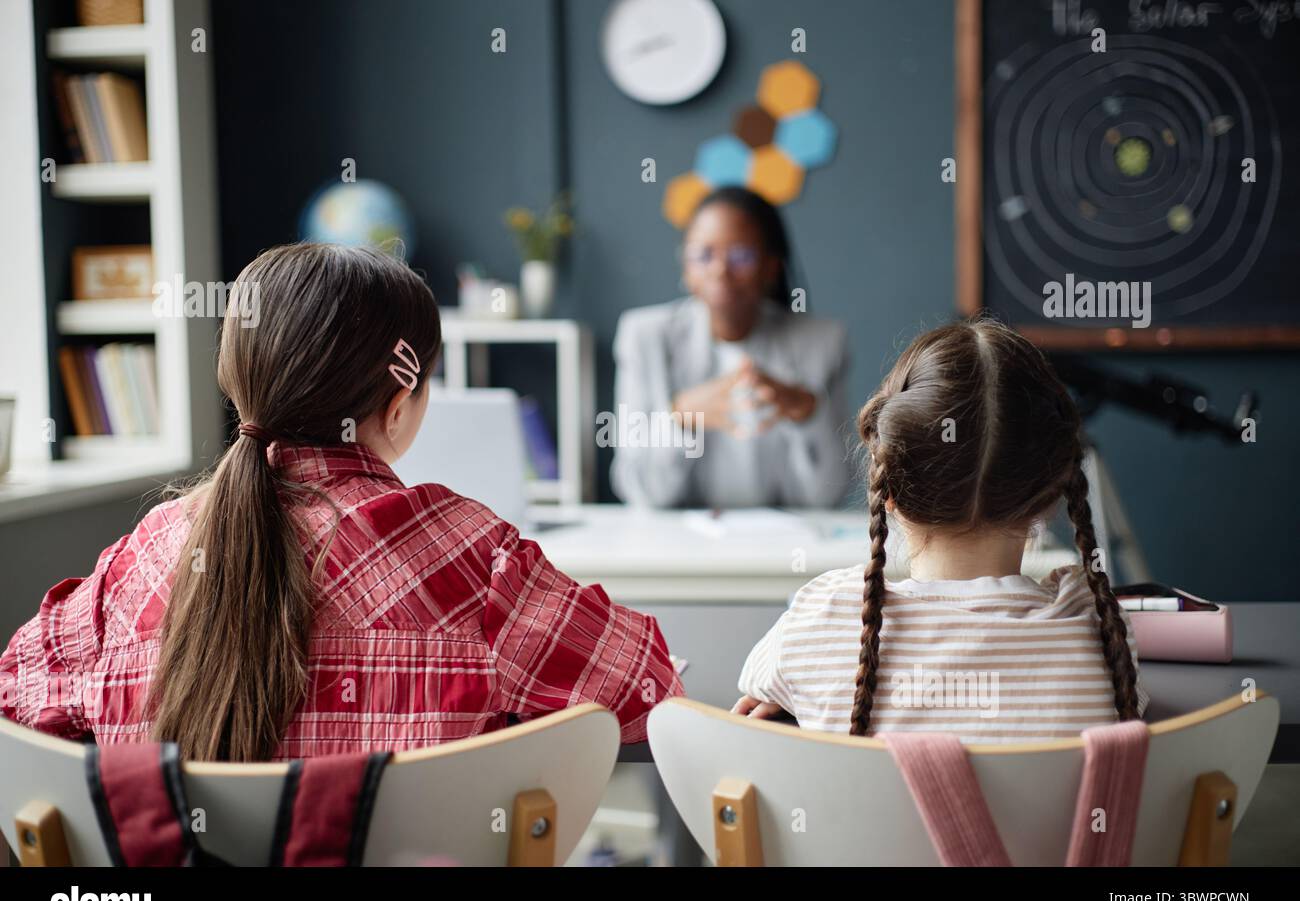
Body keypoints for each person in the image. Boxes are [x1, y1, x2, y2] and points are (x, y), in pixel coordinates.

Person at [0, 243, 682, 760]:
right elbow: (649, 693)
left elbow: (17, 706)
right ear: (398, 406)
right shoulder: (475, 557)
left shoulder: (140, 559)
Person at [734, 316, 1149, 741]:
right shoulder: (1096, 624)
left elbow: (757, 683)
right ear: (1050, 495)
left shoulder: (825, 619)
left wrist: (799, 689)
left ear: (888, 488)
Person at [611, 187, 851, 508]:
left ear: (771, 267)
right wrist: (680, 415)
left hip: (781, 550)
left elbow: (828, 496)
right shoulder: (643, 336)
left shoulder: (821, 342)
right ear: (685, 266)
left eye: (741, 256)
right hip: (677, 550)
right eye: (703, 255)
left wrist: (806, 411)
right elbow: (638, 491)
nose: (720, 270)